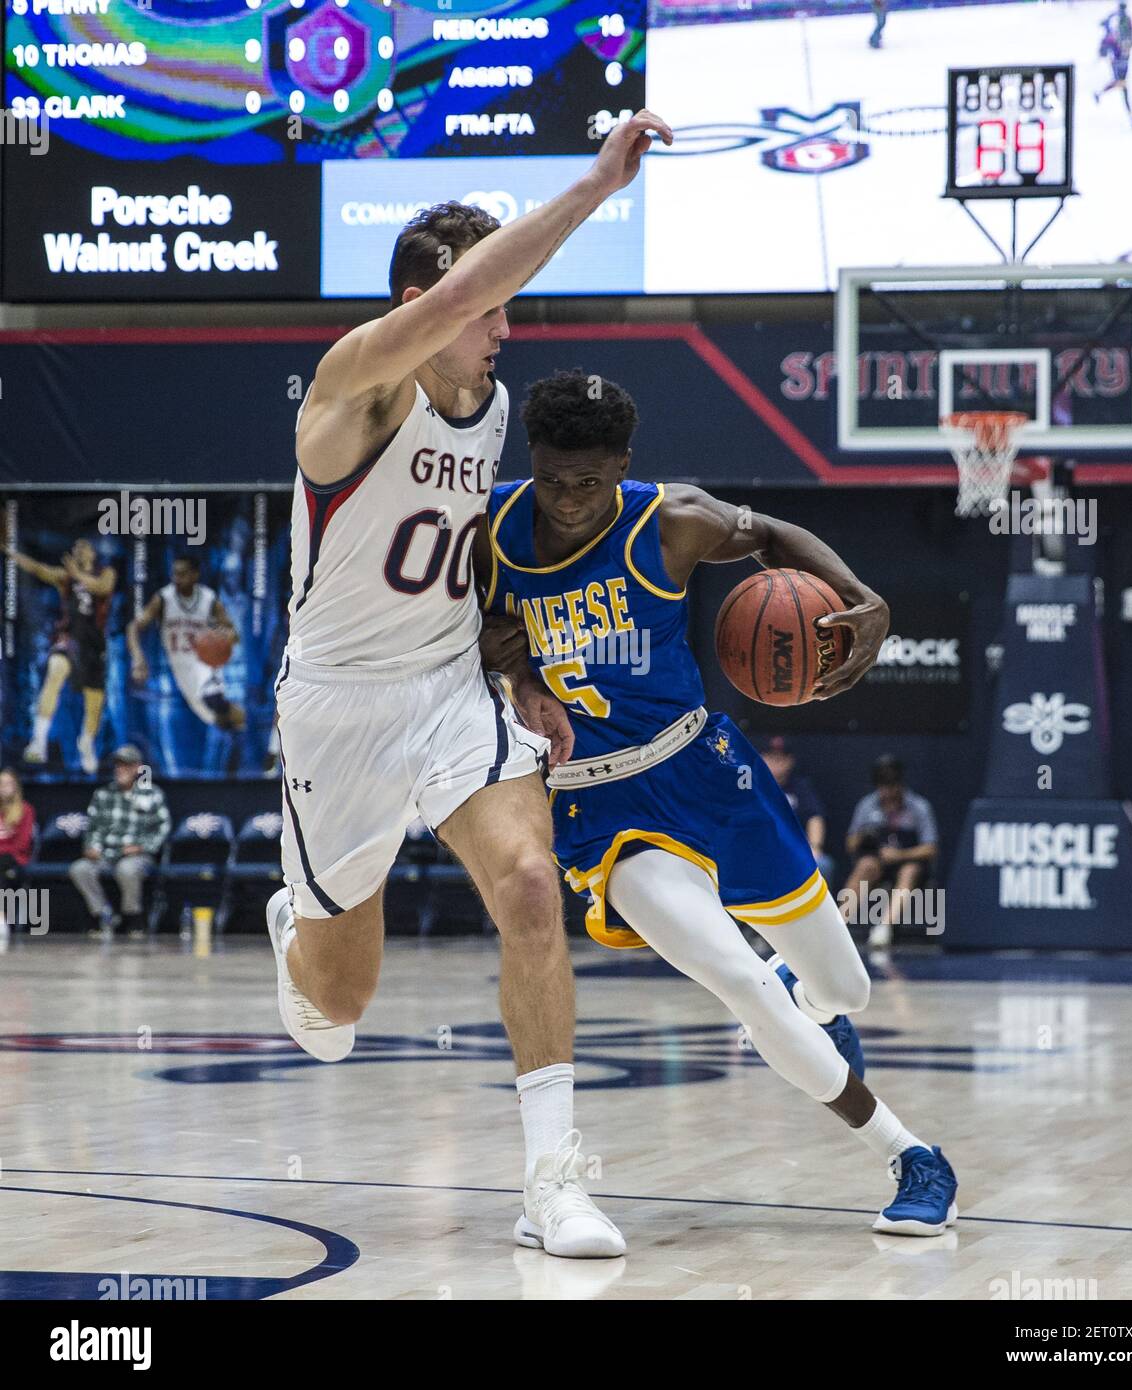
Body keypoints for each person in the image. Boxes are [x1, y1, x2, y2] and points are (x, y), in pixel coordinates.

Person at [266, 111, 673, 1260]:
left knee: (535, 887)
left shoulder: (489, 408)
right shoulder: (354, 384)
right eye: (489, 307)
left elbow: (468, 555)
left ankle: (552, 1185)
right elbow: (455, 300)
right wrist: (597, 183)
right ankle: (296, 925)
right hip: (338, 708)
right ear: (419, 306)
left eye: (505, 310)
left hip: (447, 689)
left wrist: (520, 668)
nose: (506, 327)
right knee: (339, 1013)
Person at [480, 370, 958, 1237]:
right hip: (598, 802)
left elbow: (771, 531)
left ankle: (806, 999)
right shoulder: (492, 532)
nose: (567, 501)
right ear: (532, 463)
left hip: (707, 770)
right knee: (737, 980)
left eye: (589, 483)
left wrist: (866, 601)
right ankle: (910, 1155)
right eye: (551, 478)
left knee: (839, 985)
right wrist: (514, 673)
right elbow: (469, 637)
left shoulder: (670, 520)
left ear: (622, 468)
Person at [6, 538, 116, 775]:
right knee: (54, 672)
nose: (79, 550)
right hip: (68, 638)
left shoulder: (105, 573)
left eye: (84, 547)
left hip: (93, 645)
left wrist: (78, 574)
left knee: (94, 704)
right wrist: (10, 552)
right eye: (75, 548)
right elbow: (37, 568)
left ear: (92, 554)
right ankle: (39, 740)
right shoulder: (65, 576)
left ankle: (86, 743)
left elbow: (103, 588)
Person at [126, 555, 246, 733]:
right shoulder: (163, 599)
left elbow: (234, 634)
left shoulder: (209, 599)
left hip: (205, 664)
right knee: (219, 721)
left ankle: (262, 734)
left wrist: (224, 637)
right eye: (174, 574)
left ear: (195, 575)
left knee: (216, 702)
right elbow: (134, 627)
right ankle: (252, 736)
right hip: (181, 670)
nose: (177, 579)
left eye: (182, 574)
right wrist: (137, 656)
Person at [69, 744, 170, 939]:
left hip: (137, 855)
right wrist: (92, 847)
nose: (120, 769)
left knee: (127, 869)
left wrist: (143, 847)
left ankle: (133, 918)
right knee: (80, 868)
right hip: (105, 853)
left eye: (126, 765)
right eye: (118, 765)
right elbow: (93, 828)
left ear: (138, 768)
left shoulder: (152, 794)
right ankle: (102, 914)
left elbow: (163, 828)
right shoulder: (103, 794)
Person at [842, 755, 938, 948]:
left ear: (900, 784)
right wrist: (863, 837)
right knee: (865, 865)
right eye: (883, 786)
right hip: (878, 862)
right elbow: (850, 844)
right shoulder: (867, 806)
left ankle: (884, 928)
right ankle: (838, 925)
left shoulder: (919, 807)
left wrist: (901, 855)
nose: (888, 791)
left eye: (892, 785)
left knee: (909, 871)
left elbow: (931, 848)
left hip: (907, 863)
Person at [758, 735, 834, 886]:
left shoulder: (800, 787)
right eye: (772, 757)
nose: (777, 762)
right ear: (761, 757)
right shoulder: (751, 785)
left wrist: (815, 847)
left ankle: (820, 910)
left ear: (791, 760)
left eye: (781, 758)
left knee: (823, 865)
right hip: (761, 848)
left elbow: (815, 816)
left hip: (796, 849)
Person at [0, 767, 35, 939]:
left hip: (15, 860)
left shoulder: (25, 810)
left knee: (4, 863)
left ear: (16, 787)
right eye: (1, 784)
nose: (4, 787)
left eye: (8, 783)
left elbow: (22, 845)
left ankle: (1, 918)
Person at [1096, 2, 1132, 126]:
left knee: (1120, 84)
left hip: (1119, 57)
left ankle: (1099, 93)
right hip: (1120, 58)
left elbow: (1103, 30)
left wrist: (1103, 51)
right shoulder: (1125, 19)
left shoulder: (1113, 17)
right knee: (1122, 85)